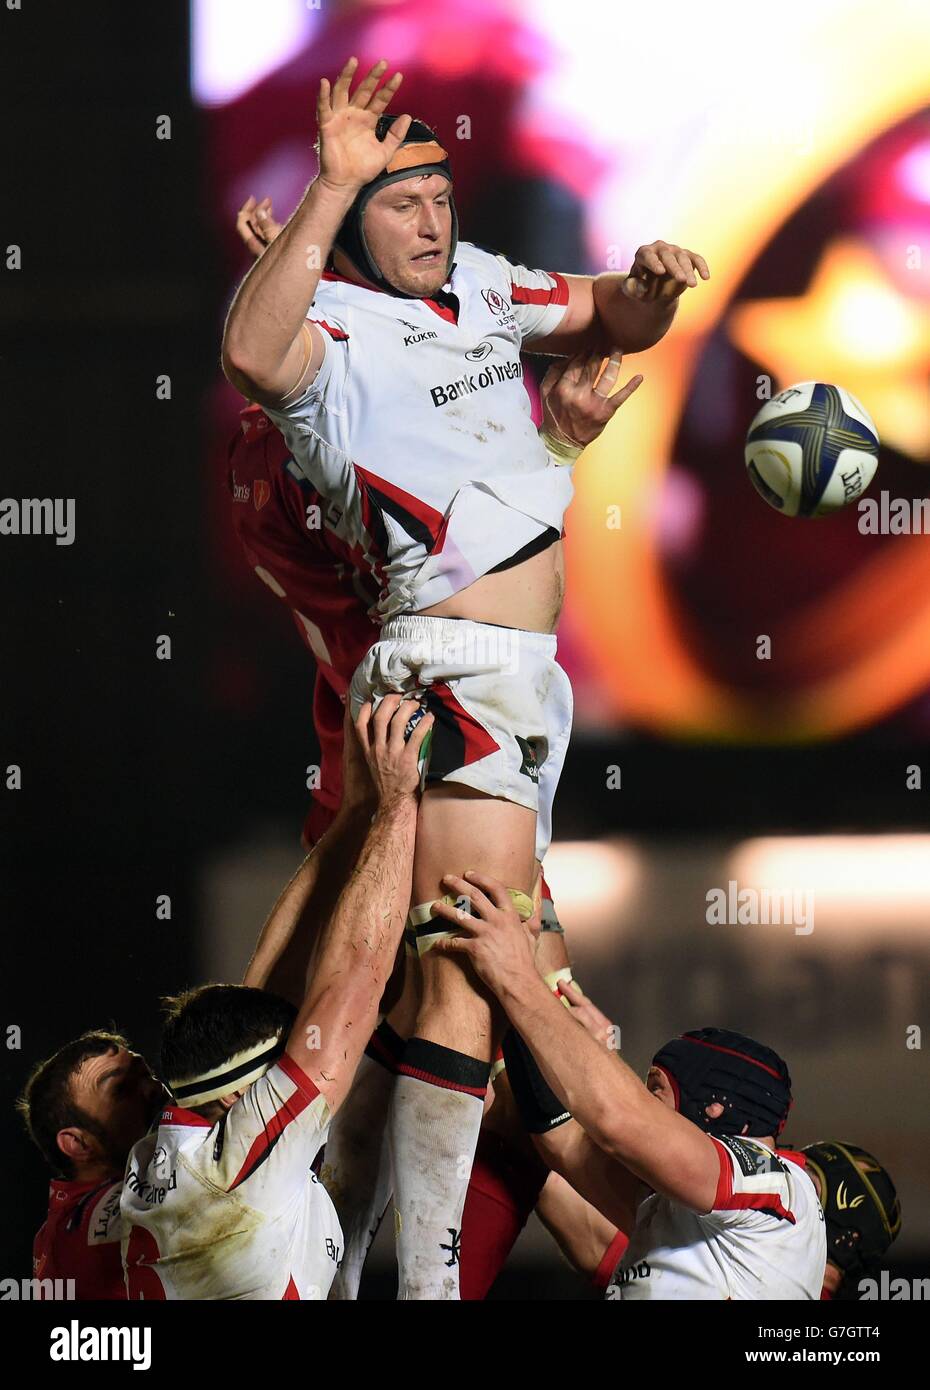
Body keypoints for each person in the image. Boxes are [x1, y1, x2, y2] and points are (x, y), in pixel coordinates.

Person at [222, 54, 709, 1298]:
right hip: (449, 663)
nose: (433, 219)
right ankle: (425, 1282)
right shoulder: (329, 331)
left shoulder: (487, 284)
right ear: (352, 221)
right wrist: (332, 189)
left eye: (438, 195)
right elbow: (248, 353)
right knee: (475, 966)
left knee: (448, 980)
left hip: (517, 682)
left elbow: (613, 314)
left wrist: (651, 286)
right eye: (402, 202)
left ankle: (342, 1268)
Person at [120, 696, 433, 1300]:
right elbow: (355, 980)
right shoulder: (232, 1171)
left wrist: (356, 812)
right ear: (240, 1097)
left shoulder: (172, 1145)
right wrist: (399, 803)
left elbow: (260, 997)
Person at [429, 871, 827, 1299]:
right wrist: (515, 987)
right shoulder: (679, 1208)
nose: (644, 1097)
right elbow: (563, 1137)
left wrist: (517, 977)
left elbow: (619, 1121)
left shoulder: (781, 1185)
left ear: (714, 1106)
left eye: (655, 1087)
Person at [16, 1035, 165, 1299]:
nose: (154, 1088)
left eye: (147, 1074)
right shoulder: (74, 1237)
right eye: (122, 1089)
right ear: (77, 1144)